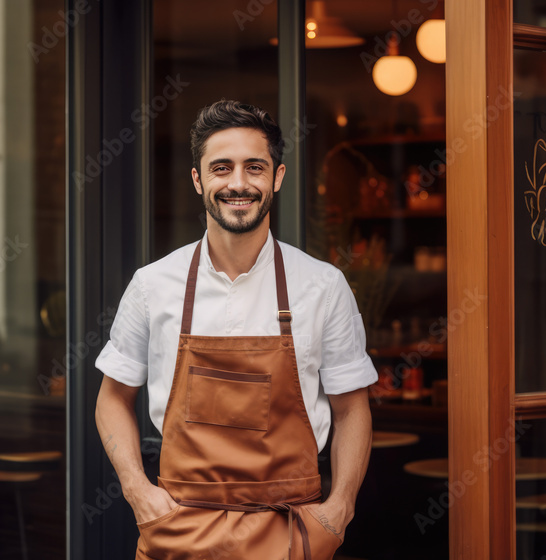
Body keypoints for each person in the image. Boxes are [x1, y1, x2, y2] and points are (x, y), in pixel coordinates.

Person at [94, 99, 376, 559]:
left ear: (277, 178)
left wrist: (339, 509)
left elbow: (352, 409)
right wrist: (137, 491)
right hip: (177, 531)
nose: (238, 183)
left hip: (289, 535)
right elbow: (112, 397)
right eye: (221, 168)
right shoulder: (152, 285)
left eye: (255, 167)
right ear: (197, 179)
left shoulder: (323, 286)